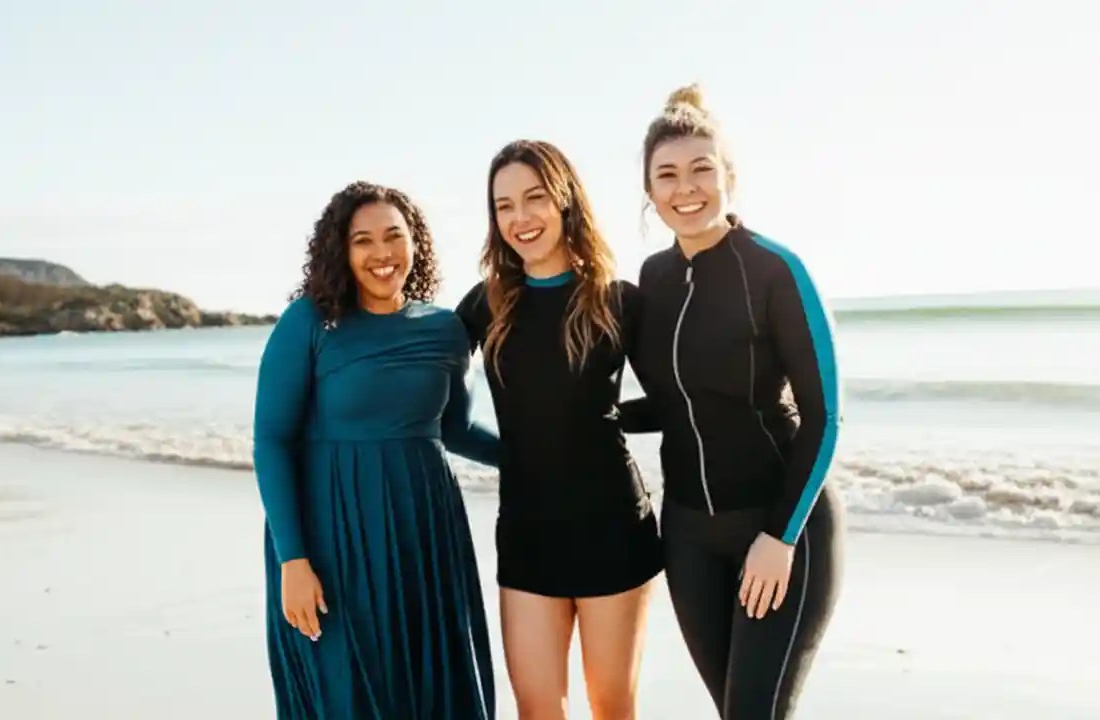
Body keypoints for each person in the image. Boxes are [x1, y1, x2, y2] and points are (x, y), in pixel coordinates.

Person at [619, 84, 846, 719]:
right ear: (649, 189)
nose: (684, 188)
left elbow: (825, 417)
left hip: (779, 528)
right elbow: (675, 403)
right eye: (666, 174)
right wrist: (598, 419)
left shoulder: (775, 270)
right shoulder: (654, 280)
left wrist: (780, 536)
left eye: (701, 170)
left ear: (729, 177)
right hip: (689, 535)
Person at [253, 180, 501, 719]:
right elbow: (271, 441)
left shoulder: (446, 330)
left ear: (417, 243)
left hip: (425, 532)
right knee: (346, 694)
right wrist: (292, 559)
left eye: (394, 236)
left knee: (428, 690)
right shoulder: (310, 321)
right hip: (330, 537)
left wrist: (538, 456)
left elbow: (455, 429)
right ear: (341, 250)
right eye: (362, 240)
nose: (381, 253)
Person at [456, 139, 663, 720]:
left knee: (612, 707)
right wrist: (517, 455)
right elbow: (442, 414)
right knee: (538, 708)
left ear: (565, 201)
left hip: (614, 529)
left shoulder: (616, 300)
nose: (520, 218)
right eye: (504, 206)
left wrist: (610, 422)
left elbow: (675, 403)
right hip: (527, 534)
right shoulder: (484, 306)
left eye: (535, 198)